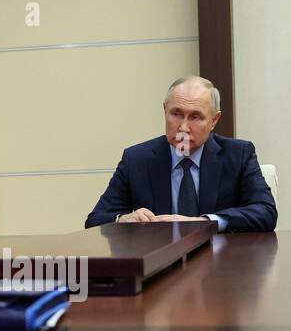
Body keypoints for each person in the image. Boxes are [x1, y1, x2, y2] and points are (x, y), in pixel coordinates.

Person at [84, 76, 277, 232]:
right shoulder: (136, 159)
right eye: (176, 114)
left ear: (214, 120)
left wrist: (205, 222)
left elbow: (265, 212)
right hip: (158, 266)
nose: (183, 127)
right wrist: (123, 220)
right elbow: (95, 220)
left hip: (222, 264)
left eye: (195, 117)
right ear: (164, 111)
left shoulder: (238, 154)